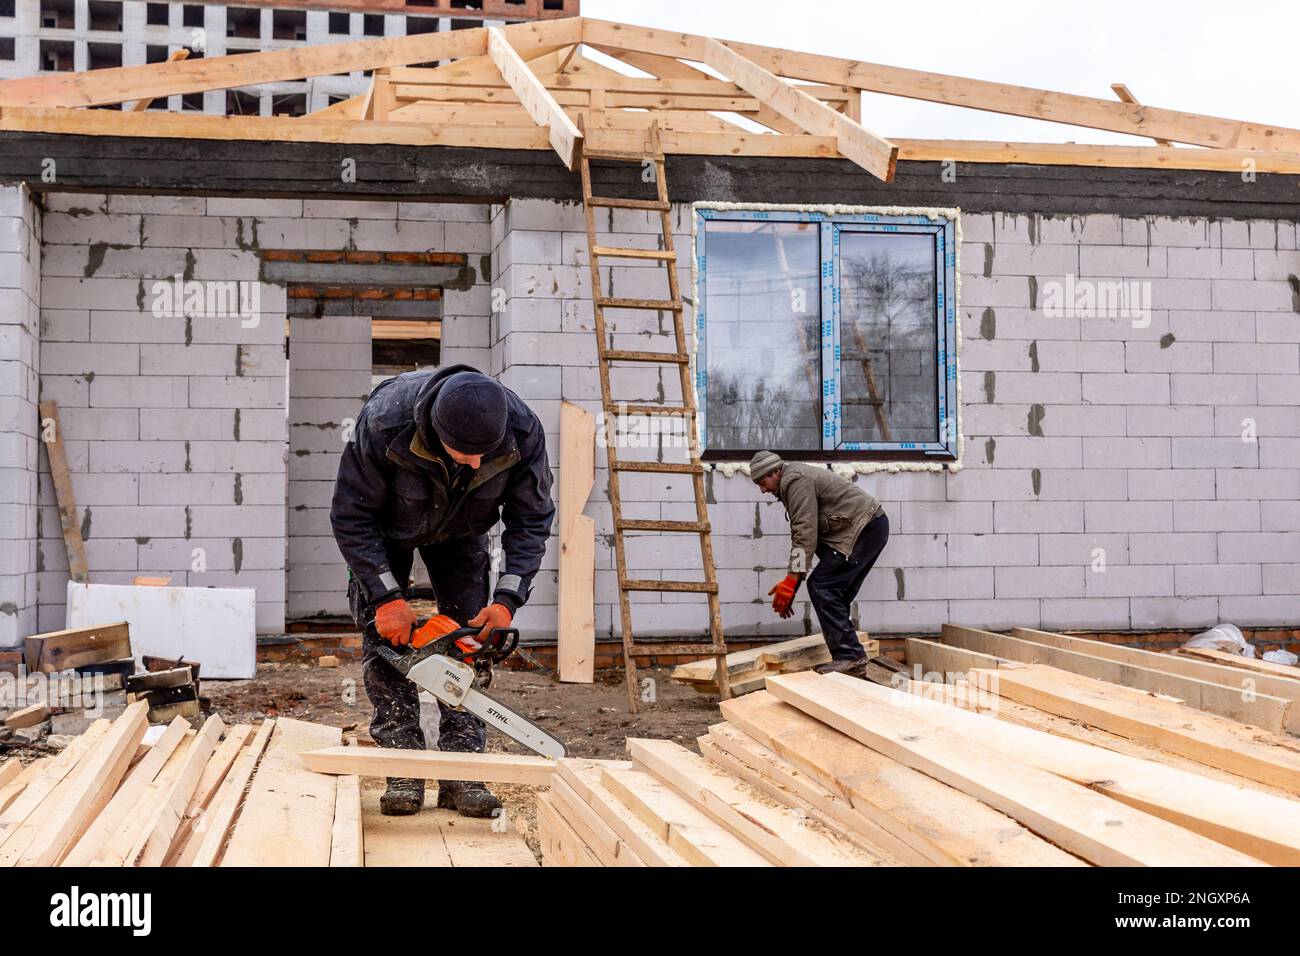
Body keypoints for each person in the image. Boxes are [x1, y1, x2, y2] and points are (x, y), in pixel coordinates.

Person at [331, 365, 555, 817]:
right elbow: (351, 516)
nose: (475, 464)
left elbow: (530, 518)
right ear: (435, 429)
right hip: (385, 532)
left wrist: (507, 599)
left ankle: (462, 771)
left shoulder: (522, 429)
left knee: (467, 643)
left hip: (463, 532)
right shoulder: (384, 422)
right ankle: (403, 769)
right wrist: (386, 598)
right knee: (386, 640)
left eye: (484, 455)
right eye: (465, 453)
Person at [749, 450, 889, 676]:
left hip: (864, 529)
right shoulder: (791, 481)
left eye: (762, 482)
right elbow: (807, 537)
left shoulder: (795, 481)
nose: (763, 489)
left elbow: (804, 534)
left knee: (823, 585)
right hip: (867, 527)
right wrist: (792, 584)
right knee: (834, 593)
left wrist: (791, 579)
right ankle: (851, 663)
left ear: (775, 472)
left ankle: (849, 657)